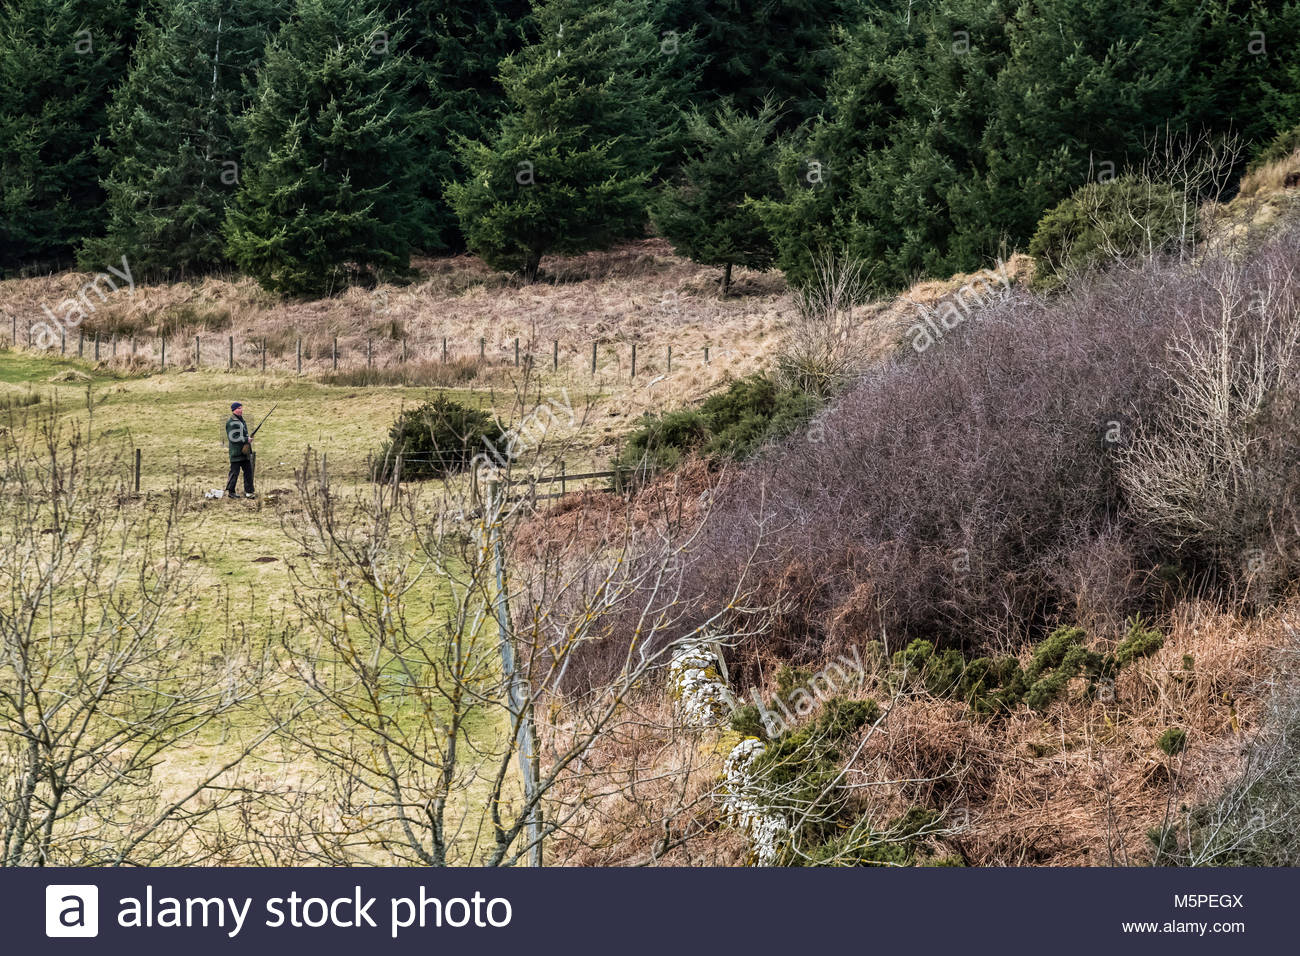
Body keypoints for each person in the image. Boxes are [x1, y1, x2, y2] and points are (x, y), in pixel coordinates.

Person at [225, 401, 255, 498]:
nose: (241, 410)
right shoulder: (231, 422)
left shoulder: (241, 420)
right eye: (239, 408)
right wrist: (246, 439)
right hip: (236, 452)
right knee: (234, 473)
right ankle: (231, 492)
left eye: (241, 408)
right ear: (234, 410)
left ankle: (249, 492)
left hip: (244, 452)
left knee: (248, 472)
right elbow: (233, 437)